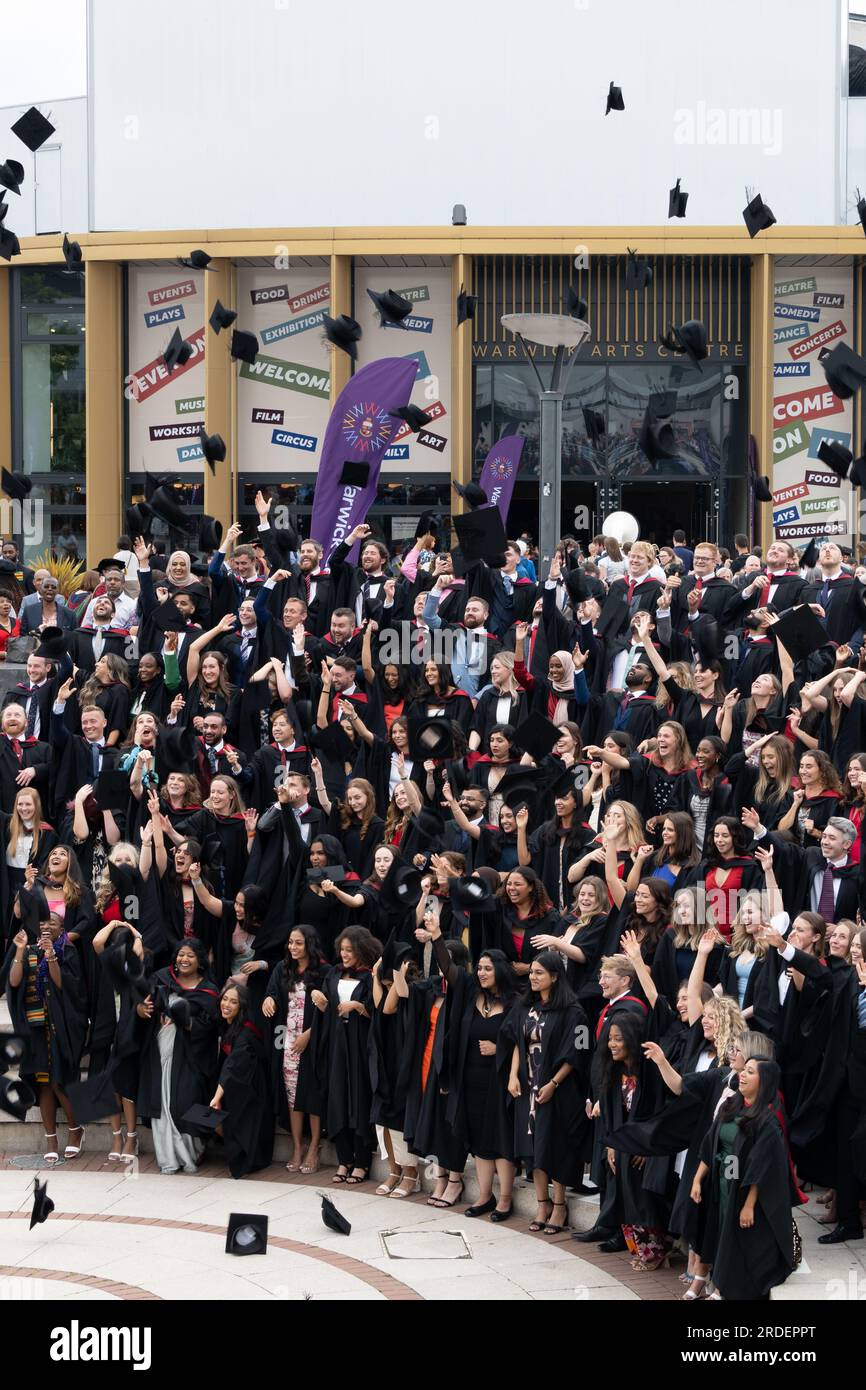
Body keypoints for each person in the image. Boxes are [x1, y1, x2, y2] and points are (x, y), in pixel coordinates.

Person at [690, 1057, 796, 1300]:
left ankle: (723, 1289)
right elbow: (710, 1144)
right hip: (723, 1180)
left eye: (750, 1072)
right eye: (743, 1070)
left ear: (764, 1081)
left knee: (737, 1238)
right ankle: (716, 1284)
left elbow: (764, 1167)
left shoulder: (768, 1120)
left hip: (745, 1187)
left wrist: (749, 1205)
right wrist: (697, 1180)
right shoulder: (730, 1106)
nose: (743, 1075)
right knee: (719, 1230)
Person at [503, 949, 591, 1234]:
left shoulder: (574, 1012)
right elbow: (517, 1042)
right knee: (532, 1149)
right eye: (531, 972)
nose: (532, 977)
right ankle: (542, 1204)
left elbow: (578, 1053)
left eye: (539, 973)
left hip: (558, 1090)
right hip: (527, 1087)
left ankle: (560, 1205)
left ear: (555, 976)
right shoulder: (524, 1007)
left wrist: (553, 1084)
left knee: (555, 1146)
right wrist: (512, 1076)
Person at [135, 938, 220, 1175]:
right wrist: (142, 1010)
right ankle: (169, 1159)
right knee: (162, 1103)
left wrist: (186, 1022)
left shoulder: (209, 991)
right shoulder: (161, 979)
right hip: (161, 1052)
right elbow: (141, 1005)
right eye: (181, 954)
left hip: (192, 1058)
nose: (184, 959)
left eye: (190, 955)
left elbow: (211, 1026)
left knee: (187, 1102)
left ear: (200, 961)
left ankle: (192, 1154)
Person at [263, 925, 327, 1174]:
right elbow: (272, 993)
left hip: (312, 1041)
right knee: (292, 1097)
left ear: (309, 944)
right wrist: (269, 999)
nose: (293, 947)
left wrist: (309, 1035)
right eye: (290, 942)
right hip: (287, 1042)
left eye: (298, 943)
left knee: (312, 1095)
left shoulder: (324, 971)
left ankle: (314, 1146)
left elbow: (328, 1008)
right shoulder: (283, 968)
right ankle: (298, 1147)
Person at [209, 980, 275, 1177]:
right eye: (225, 999)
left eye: (233, 1002)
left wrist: (216, 1097)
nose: (226, 1004)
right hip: (238, 1082)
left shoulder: (246, 1033)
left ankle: (246, 1159)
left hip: (251, 1089)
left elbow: (232, 1066)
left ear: (242, 1006)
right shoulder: (228, 1025)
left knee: (239, 1121)